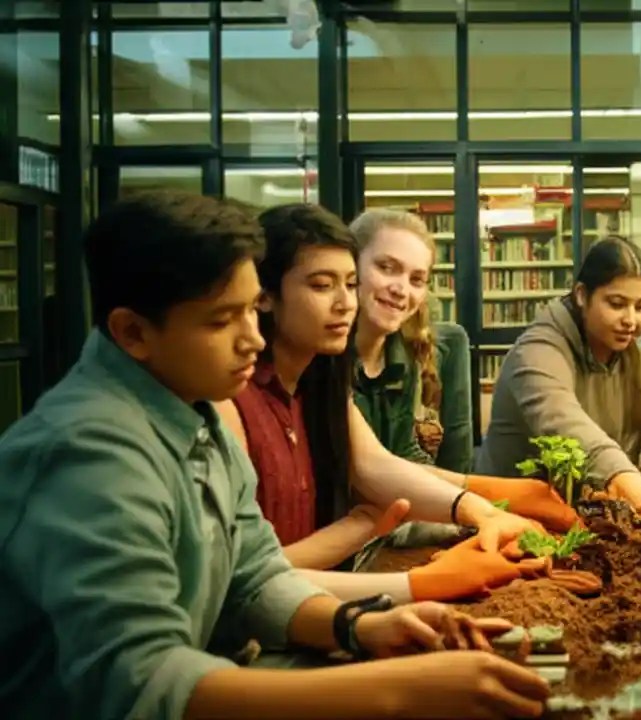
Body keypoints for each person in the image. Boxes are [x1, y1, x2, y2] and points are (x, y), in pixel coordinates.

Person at [0, 192, 549, 719]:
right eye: (221, 320)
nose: (254, 340)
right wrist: (393, 692)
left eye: (250, 311)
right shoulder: (90, 454)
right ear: (133, 332)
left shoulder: (195, 411)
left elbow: (256, 578)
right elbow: (138, 682)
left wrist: (359, 625)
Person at [215, 203, 567, 600]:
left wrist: (481, 510)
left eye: (349, 285)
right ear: (264, 296)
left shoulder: (319, 375)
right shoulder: (229, 398)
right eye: (321, 285)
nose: (345, 303)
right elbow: (246, 580)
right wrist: (416, 577)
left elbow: (373, 463)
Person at [474, 236, 641, 534]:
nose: (631, 320)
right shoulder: (538, 351)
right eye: (617, 304)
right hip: (517, 527)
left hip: (589, 518)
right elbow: (573, 433)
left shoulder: (621, 348)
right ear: (582, 295)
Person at [350, 208, 473, 473]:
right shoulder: (326, 355)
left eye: (416, 279)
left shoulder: (402, 356)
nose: (401, 289)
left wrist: (485, 497)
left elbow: (404, 454)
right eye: (386, 268)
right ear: (351, 266)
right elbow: (368, 470)